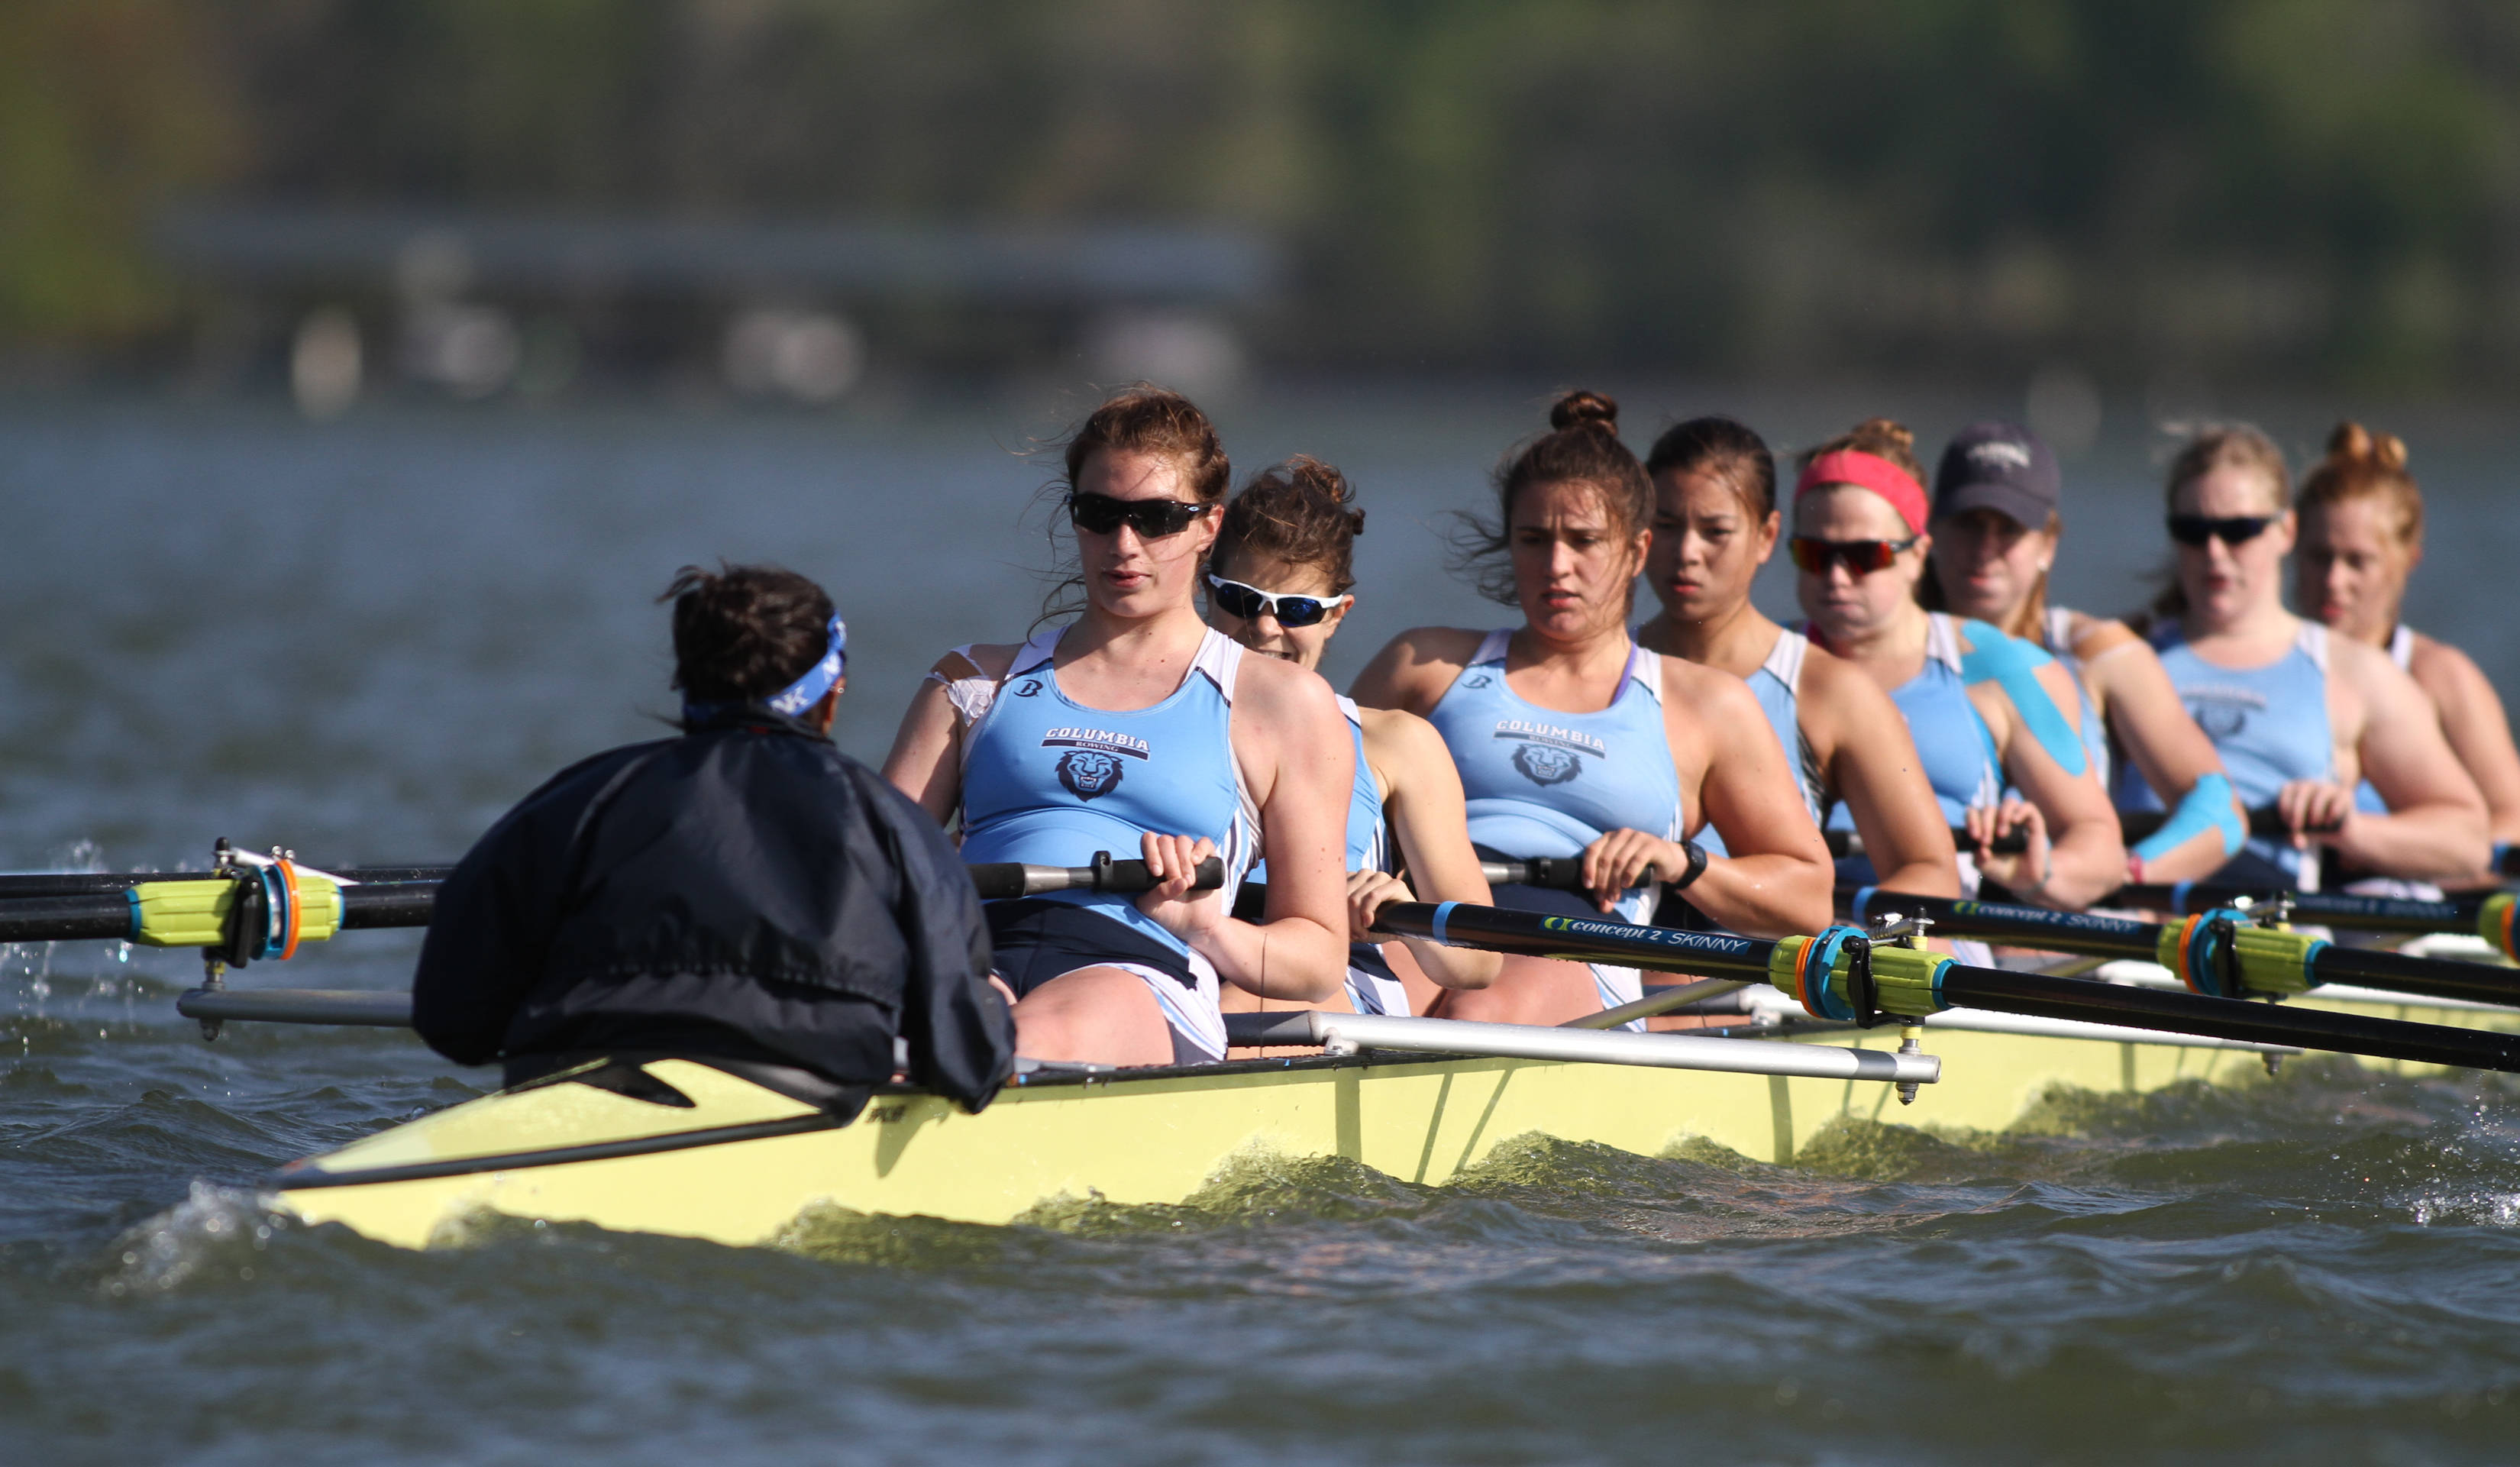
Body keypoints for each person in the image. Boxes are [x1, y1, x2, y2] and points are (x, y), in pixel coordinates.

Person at [414, 564, 1014, 1116]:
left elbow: (451, 1022)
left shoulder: (575, 799)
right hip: (792, 1105)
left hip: (565, 1090)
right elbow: (966, 1061)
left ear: (686, 681)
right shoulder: (896, 827)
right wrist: (995, 1008)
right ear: (830, 694)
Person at [883, 386, 1352, 1067]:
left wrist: (1208, 929)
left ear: (1208, 526)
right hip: (967, 948)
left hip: (1138, 966)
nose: (1123, 544)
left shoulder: (1285, 703)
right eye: (1100, 513)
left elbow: (1316, 961)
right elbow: (870, 879)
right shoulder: (972, 683)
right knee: (915, 1035)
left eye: (1157, 518)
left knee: (1014, 1045)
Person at [1352, 390, 1833, 1028]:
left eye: (1584, 541)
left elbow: (1809, 896)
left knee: (1479, 1010)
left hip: (1582, 946)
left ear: (1637, 552)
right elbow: (1309, 793)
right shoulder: (1423, 664)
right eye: (1533, 539)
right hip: (1424, 919)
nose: (1557, 566)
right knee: (1313, 1003)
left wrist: (1683, 863)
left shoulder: (1705, 704)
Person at [2118, 425, 2487, 885]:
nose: (2214, 552)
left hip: (2280, 942)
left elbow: (2469, 842)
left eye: (2239, 530)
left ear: (2286, 531)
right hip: (2140, 937)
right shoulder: (2121, 656)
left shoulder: (2355, 673)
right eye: (2193, 531)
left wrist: (2352, 830)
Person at [1202, 456, 1501, 1016]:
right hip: (1182, 963)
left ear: (1338, 615)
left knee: (1237, 1000)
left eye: (1296, 609)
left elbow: (1478, 962)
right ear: (1207, 590)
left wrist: (1406, 912)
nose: (1265, 627)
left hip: (1327, 986)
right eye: (1242, 600)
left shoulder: (1398, 744)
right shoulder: (1144, 714)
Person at [1788, 418, 2124, 910]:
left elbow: (2099, 844)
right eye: (1814, 554)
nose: (1836, 576)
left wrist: (2040, 874)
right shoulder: (1759, 662)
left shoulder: (2003, 669)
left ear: (1918, 554)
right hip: (1780, 953)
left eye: (1864, 555)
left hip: (1932, 948)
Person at [1634, 415, 1961, 904]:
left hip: (1771, 976)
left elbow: (1930, 871)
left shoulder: (1832, 691)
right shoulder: (1602, 666)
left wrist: (1842, 941)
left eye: (1715, 531)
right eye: (1666, 526)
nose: (1687, 552)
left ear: (1767, 537)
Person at [1922, 421, 2247, 885]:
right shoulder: (1881, 654)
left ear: (2047, 544)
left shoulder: (2097, 651)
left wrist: (2114, 875)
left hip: (2065, 935)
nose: (1985, 549)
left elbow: (2220, 813)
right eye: (1969, 524)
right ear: (1932, 530)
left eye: (2009, 528)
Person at [2294, 421, 2520, 876]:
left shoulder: (2442, 677)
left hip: (2409, 913)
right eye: (2320, 557)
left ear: (2406, 561)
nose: (2334, 582)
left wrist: (2386, 851)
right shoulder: (2262, 659)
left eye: (2358, 561)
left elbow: (2513, 822)